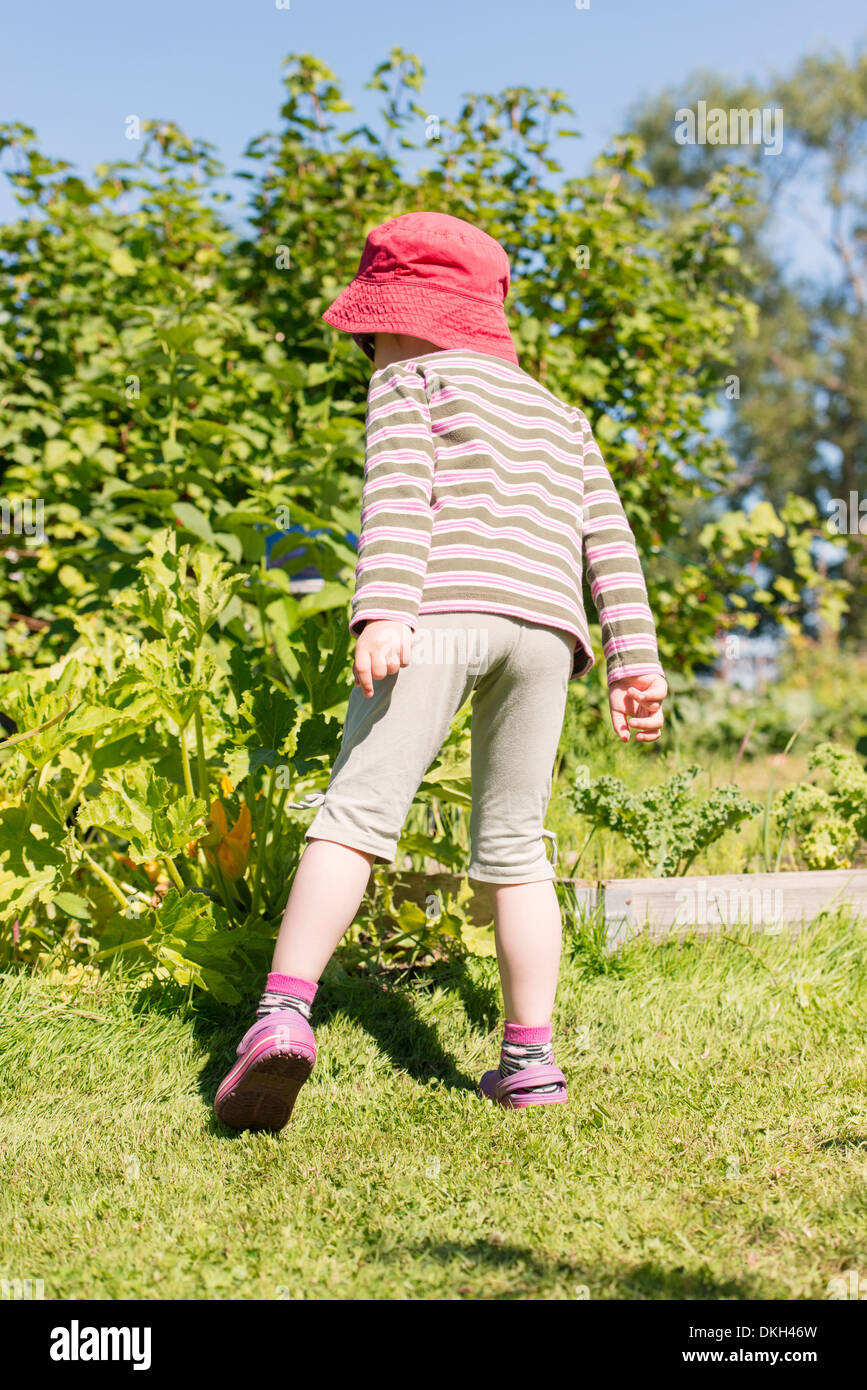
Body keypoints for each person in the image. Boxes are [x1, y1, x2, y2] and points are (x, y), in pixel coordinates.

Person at [214, 211, 667, 1130]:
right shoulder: (563, 416)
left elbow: (398, 493)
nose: (368, 344)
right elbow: (609, 544)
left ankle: (281, 1016)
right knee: (514, 851)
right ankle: (530, 1062)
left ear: (399, 318)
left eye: (370, 326)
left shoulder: (408, 382)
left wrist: (383, 605)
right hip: (547, 637)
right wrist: (634, 661)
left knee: (353, 815)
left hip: (439, 614)